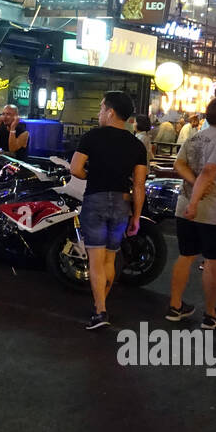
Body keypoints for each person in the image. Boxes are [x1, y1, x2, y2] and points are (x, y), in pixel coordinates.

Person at [71, 91, 148, 331]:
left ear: (111, 112)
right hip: (122, 204)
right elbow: (139, 184)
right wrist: (136, 216)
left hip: (96, 200)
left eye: (101, 107)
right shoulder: (137, 144)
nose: (99, 113)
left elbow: (75, 169)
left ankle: (101, 311)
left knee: (95, 259)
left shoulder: (92, 137)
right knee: (110, 258)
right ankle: (100, 304)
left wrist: (91, 175)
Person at [169, 96, 216, 328]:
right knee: (212, 261)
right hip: (214, 209)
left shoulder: (195, 136)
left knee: (185, 255)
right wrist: (198, 197)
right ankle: (210, 314)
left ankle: (175, 305)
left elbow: (178, 165)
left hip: (184, 205)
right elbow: (210, 171)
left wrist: (191, 186)